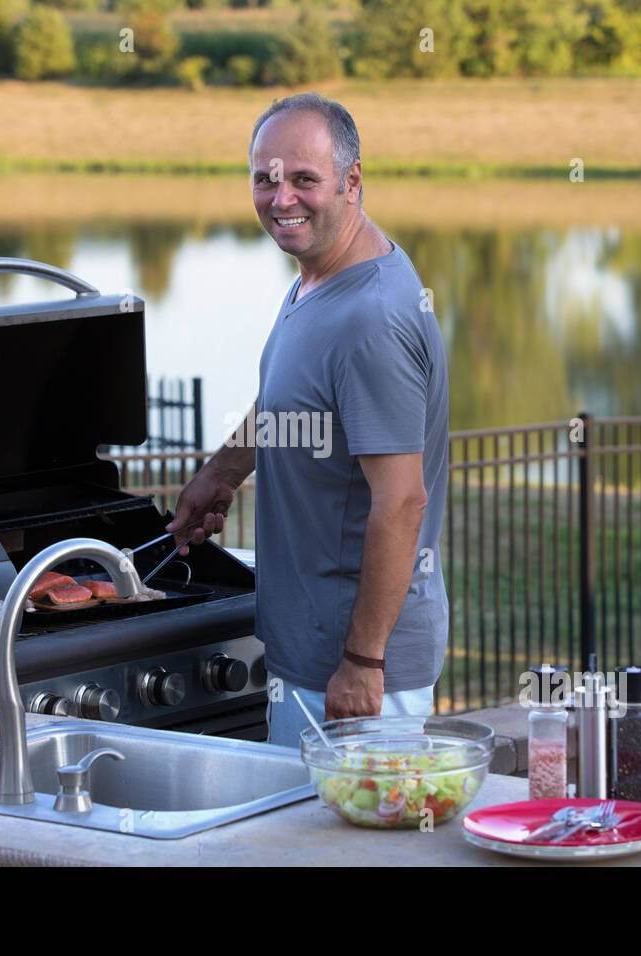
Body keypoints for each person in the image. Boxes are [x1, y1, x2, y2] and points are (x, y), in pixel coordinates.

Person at [166, 93, 449, 748]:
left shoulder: (370, 319)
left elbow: (403, 502)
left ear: (351, 182)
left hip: (352, 676)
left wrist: (363, 661)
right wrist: (222, 471)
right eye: (265, 179)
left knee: (343, 850)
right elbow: (293, 402)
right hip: (315, 657)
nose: (280, 198)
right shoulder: (319, 278)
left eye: (302, 179)